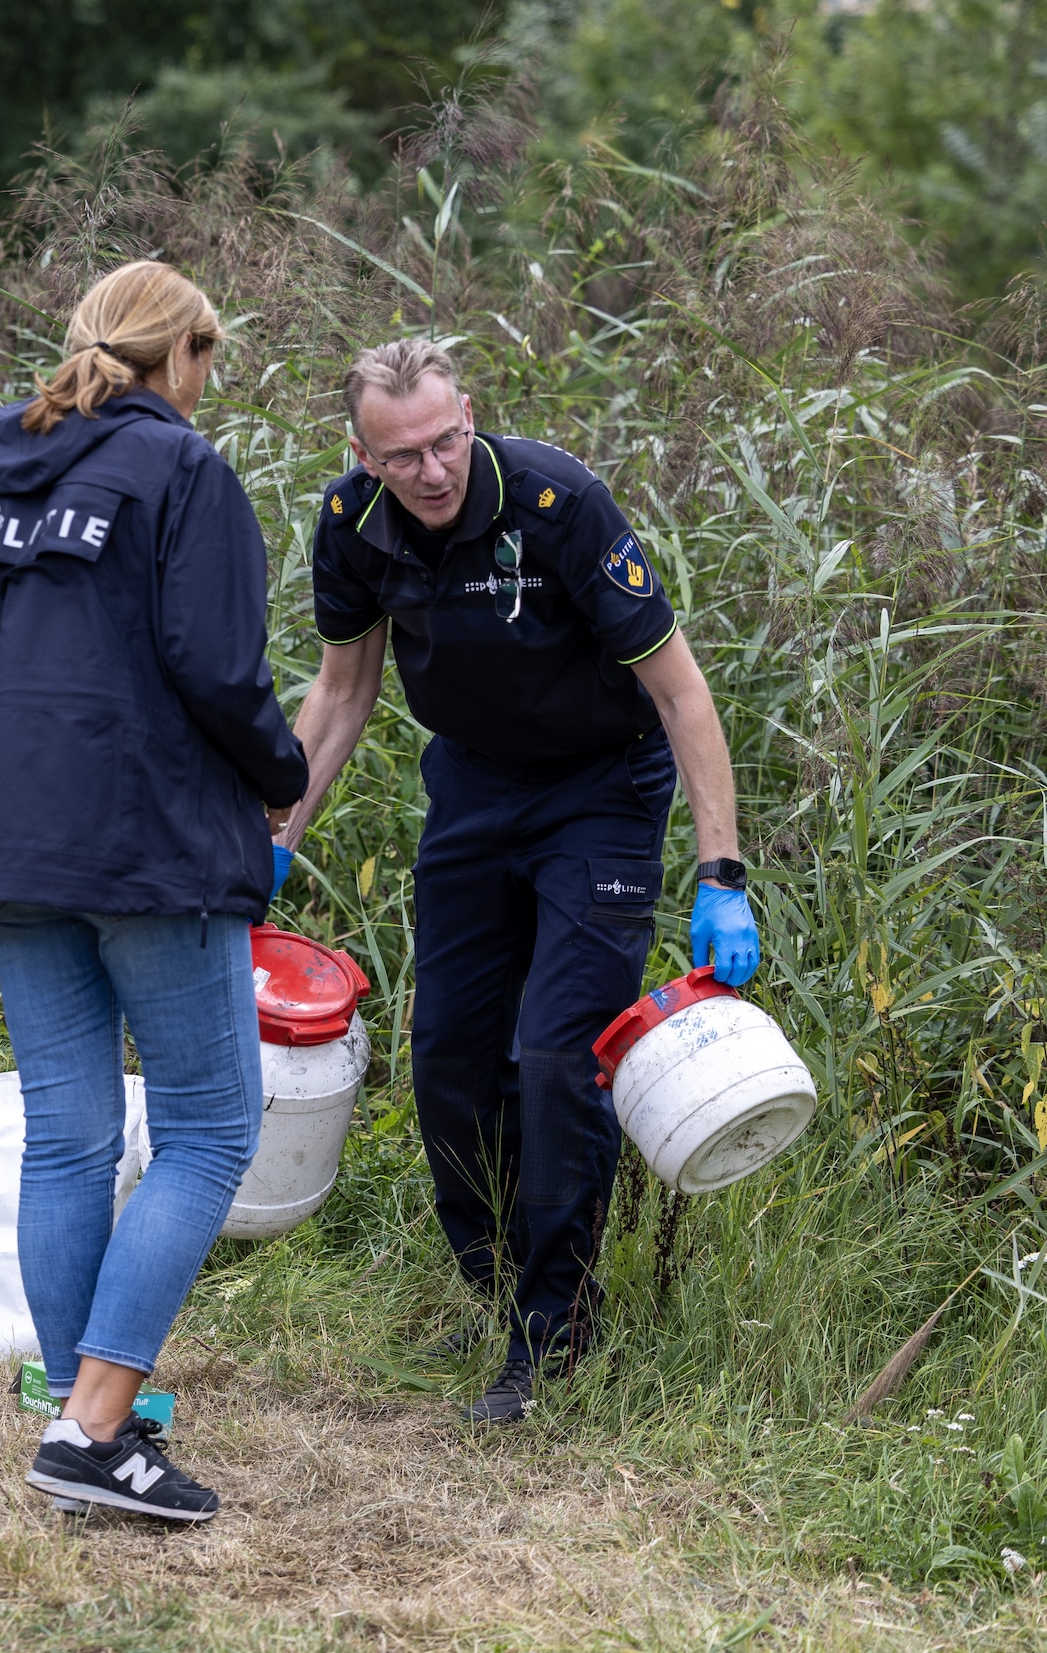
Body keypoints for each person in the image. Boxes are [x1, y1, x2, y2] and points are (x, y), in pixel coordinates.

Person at [275, 338, 762, 1424]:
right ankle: (498, 1287)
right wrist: (273, 836)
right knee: (447, 1054)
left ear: (469, 416)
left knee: (555, 1055)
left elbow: (680, 693)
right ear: (360, 452)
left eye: (445, 441)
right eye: (402, 456)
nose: (432, 471)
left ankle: (554, 1326)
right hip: (474, 785)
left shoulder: (556, 503)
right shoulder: (352, 522)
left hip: (599, 790)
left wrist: (719, 871)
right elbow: (342, 691)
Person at [0, 260, 308, 1522]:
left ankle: (77, 1425)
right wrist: (280, 776)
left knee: (68, 1138)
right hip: (147, 845)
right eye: (207, 360)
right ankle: (89, 1429)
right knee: (209, 1132)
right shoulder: (180, 469)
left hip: (7, 845)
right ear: (181, 354)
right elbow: (217, 670)